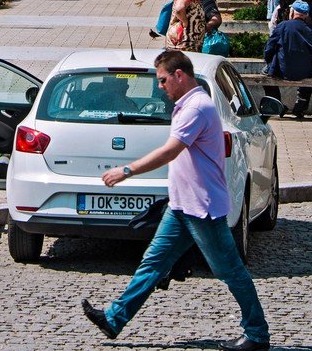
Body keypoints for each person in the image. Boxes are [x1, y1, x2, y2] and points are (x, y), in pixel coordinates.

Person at [81, 49, 270, 351]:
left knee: (230, 271)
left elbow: (171, 151)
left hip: (201, 208)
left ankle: (257, 334)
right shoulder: (186, 105)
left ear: (179, 75)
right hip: (181, 206)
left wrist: (126, 170)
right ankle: (114, 319)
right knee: (153, 263)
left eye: (162, 80)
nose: (160, 87)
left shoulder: (197, 107)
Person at [264, 0, 312, 119]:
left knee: (265, 75)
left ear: (292, 12)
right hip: (306, 72)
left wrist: (269, 61)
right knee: (311, 74)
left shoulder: (282, 26)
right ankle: (300, 107)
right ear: (306, 15)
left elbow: (269, 48)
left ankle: (277, 105)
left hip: (282, 71)